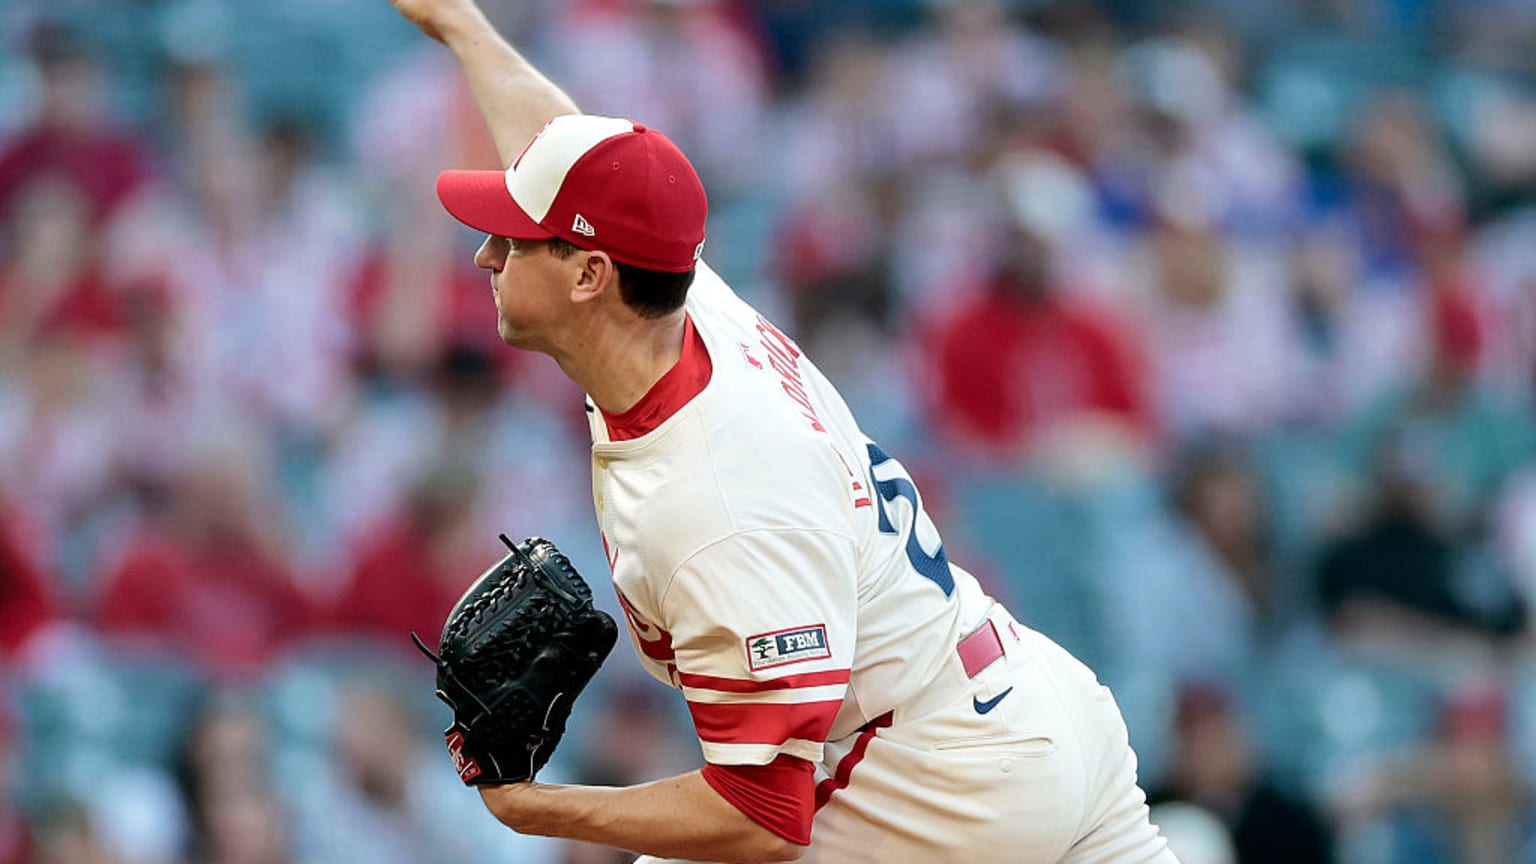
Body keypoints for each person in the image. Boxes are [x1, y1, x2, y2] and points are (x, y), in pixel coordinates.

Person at [385, 1, 1178, 862]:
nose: (485, 255)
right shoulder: (683, 298)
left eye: (513, 239)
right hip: (1027, 701)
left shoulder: (713, 497)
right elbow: (566, 150)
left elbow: (759, 817)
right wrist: (463, 26)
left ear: (588, 276)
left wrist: (537, 808)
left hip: (935, 782)